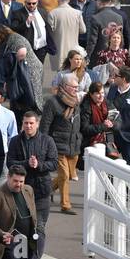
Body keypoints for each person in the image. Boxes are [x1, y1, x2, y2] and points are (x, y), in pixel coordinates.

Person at [7, 111, 58, 259]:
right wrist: (26, 164)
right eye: (25, 123)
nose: (28, 126)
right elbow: (10, 163)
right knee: (21, 228)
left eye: (31, 123)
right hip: (21, 192)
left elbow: (54, 163)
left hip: (41, 192)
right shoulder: (15, 141)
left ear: (37, 124)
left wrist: (39, 165)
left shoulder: (47, 141)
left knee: (39, 229)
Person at [39, 73, 83, 214]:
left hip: (73, 144)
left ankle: (48, 189)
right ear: (64, 87)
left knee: (69, 175)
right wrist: (44, 145)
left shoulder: (76, 101)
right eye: (73, 87)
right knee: (64, 175)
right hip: (57, 144)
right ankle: (65, 205)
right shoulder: (52, 102)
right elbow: (45, 125)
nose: (76, 89)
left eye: (77, 87)